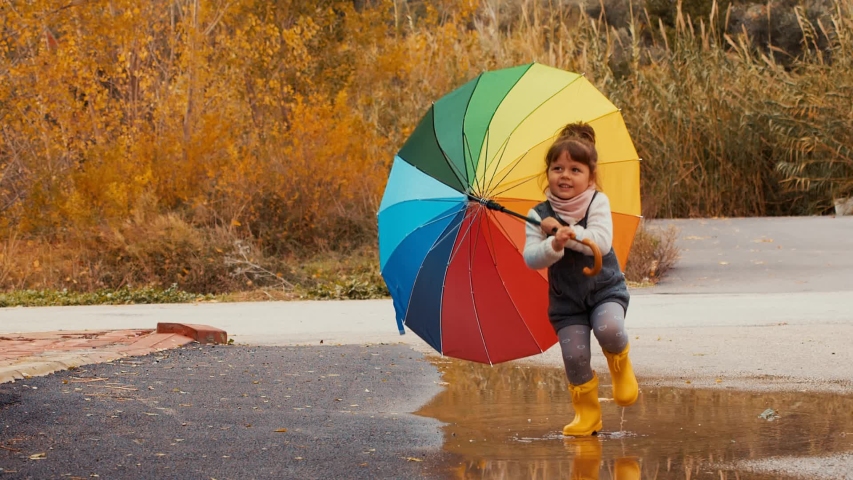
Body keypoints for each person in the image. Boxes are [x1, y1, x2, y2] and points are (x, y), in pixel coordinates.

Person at [523, 122, 639, 437]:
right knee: (575, 356)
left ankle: (620, 368)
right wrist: (553, 244)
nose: (565, 175)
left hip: (604, 290)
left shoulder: (596, 202)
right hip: (566, 301)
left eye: (575, 169)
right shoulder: (538, 215)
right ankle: (588, 414)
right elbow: (531, 258)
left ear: (590, 175)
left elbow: (600, 242)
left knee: (610, 329)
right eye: (557, 167)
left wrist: (568, 233)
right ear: (547, 172)